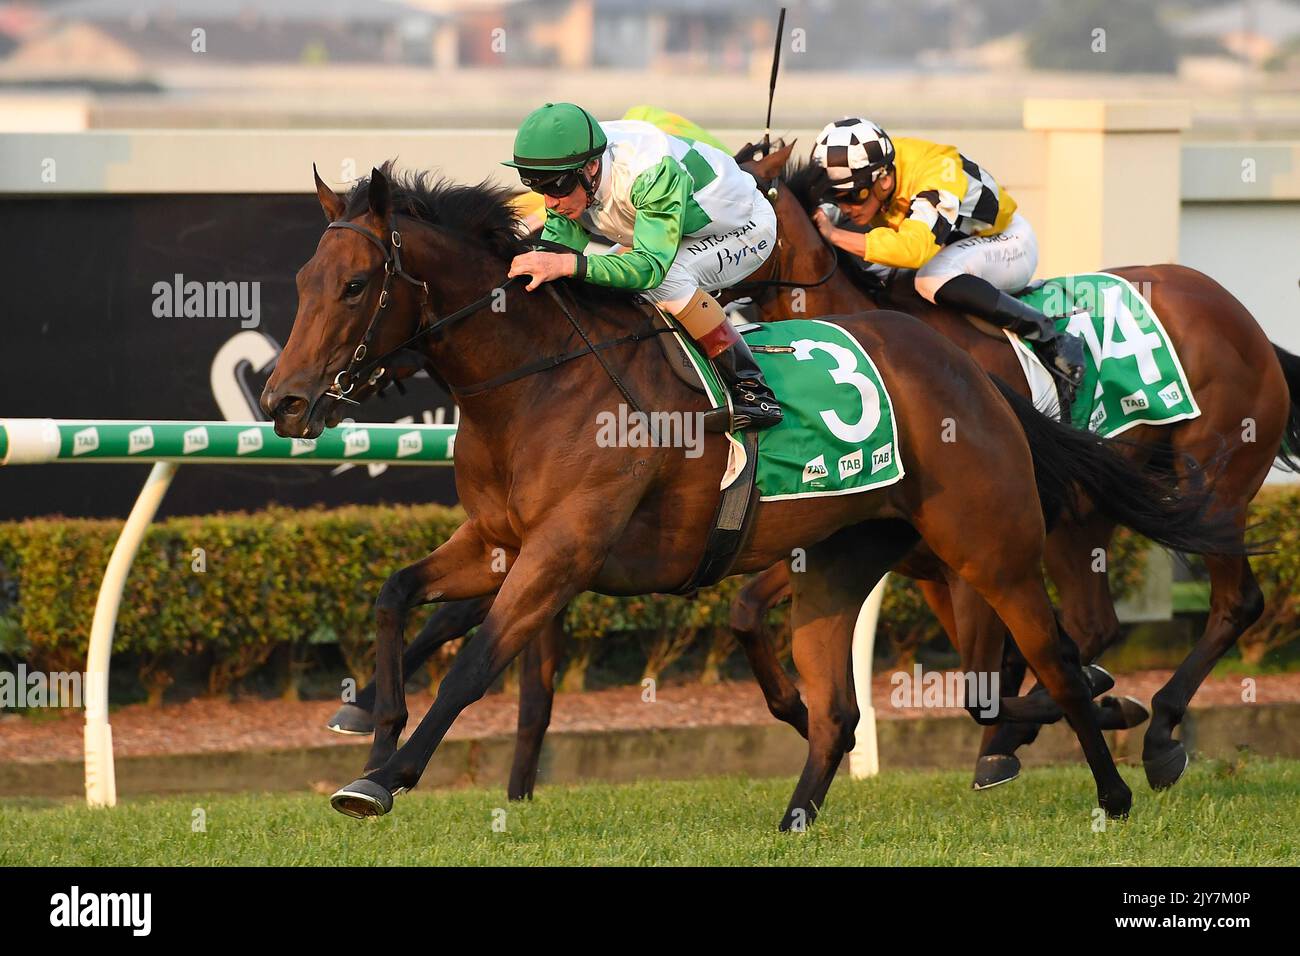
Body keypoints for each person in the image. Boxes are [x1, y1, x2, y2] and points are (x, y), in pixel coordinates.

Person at [503, 102, 782, 430]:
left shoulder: (648, 170)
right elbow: (554, 251)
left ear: (591, 167)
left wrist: (566, 264)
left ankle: (752, 390)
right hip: (667, 228)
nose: (549, 201)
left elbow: (650, 267)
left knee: (660, 281)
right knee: (593, 274)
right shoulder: (574, 164)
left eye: (557, 187)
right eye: (539, 187)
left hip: (743, 228)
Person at [809, 117, 1084, 388]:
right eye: (836, 197)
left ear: (883, 180)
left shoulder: (936, 172)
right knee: (874, 275)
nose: (845, 208)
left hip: (1007, 242)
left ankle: (1048, 336)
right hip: (950, 245)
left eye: (852, 197)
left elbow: (914, 250)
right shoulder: (874, 166)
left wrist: (835, 235)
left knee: (930, 278)